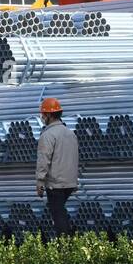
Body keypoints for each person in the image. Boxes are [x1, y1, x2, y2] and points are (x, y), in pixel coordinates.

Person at [35, 96, 79, 236]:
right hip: (69, 182)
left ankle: (65, 244)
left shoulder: (48, 135)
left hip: (55, 183)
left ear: (48, 115)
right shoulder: (70, 133)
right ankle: (69, 238)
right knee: (60, 211)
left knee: (57, 213)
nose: (42, 117)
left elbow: (44, 160)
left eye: (43, 115)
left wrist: (40, 181)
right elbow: (73, 158)